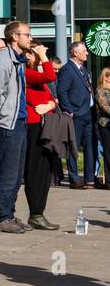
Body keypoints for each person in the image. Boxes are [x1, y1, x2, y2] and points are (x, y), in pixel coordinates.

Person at [0, 21, 32, 233]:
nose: (30, 38)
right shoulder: (4, 61)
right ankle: (2, 218)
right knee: (9, 173)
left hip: (19, 121)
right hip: (8, 123)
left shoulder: (18, 60)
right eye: (27, 34)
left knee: (17, 173)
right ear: (15, 37)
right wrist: (2, 111)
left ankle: (9, 215)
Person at [21, 43, 60, 231]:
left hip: (43, 125)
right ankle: (36, 213)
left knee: (45, 171)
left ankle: (39, 212)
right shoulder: (25, 73)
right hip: (33, 126)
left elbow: (52, 96)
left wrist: (50, 106)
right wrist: (43, 56)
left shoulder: (35, 75)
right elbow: (50, 76)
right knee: (36, 170)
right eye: (33, 52)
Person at [57, 40, 96, 190]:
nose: (87, 52)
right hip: (77, 114)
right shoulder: (67, 69)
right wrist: (69, 110)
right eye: (84, 50)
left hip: (88, 113)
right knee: (73, 147)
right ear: (74, 53)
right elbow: (62, 91)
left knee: (89, 148)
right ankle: (74, 179)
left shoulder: (82, 69)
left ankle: (90, 179)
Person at [96, 67, 110, 190]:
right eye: (108, 75)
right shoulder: (100, 91)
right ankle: (109, 181)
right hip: (105, 125)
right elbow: (105, 106)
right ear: (104, 77)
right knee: (108, 152)